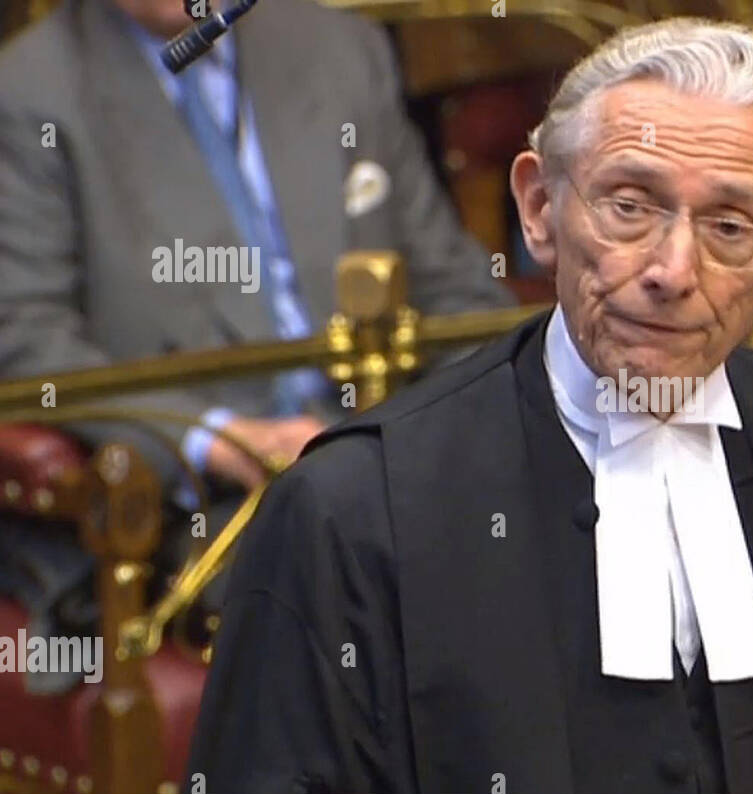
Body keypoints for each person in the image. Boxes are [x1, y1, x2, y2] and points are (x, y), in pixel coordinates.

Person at [188, 17, 753, 794]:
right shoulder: (351, 512)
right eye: (631, 206)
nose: (674, 270)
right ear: (539, 208)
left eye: (730, 226)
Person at [0, 0, 515, 688]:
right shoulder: (32, 91)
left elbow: (454, 290)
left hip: (390, 452)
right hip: (207, 506)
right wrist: (228, 438)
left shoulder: (340, 49)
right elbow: (29, 341)